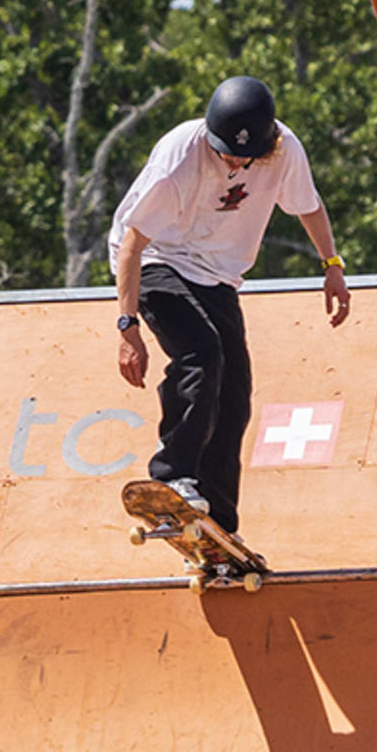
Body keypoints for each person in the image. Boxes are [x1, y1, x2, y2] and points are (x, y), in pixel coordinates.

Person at [109, 74, 353, 573]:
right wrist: (127, 328)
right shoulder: (179, 158)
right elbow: (132, 246)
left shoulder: (284, 150)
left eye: (245, 158)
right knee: (202, 353)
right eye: (225, 155)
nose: (234, 165)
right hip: (156, 260)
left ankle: (217, 521)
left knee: (235, 391)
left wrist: (332, 266)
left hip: (217, 275)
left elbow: (309, 207)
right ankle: (171, 474)